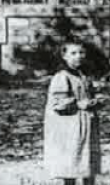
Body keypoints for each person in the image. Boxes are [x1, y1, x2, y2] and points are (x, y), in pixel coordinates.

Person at [44, 40, 103, 185]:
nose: (78, 56)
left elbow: (88, 95)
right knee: (71, 160)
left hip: (86, 123)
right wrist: (79, 104)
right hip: (70, 125)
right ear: (64, 56)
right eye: (73, 53)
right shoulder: (61, 77)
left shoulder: (83, 76)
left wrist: (96, 100)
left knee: (87, 161)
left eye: (81, 53)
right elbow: (58, 104)